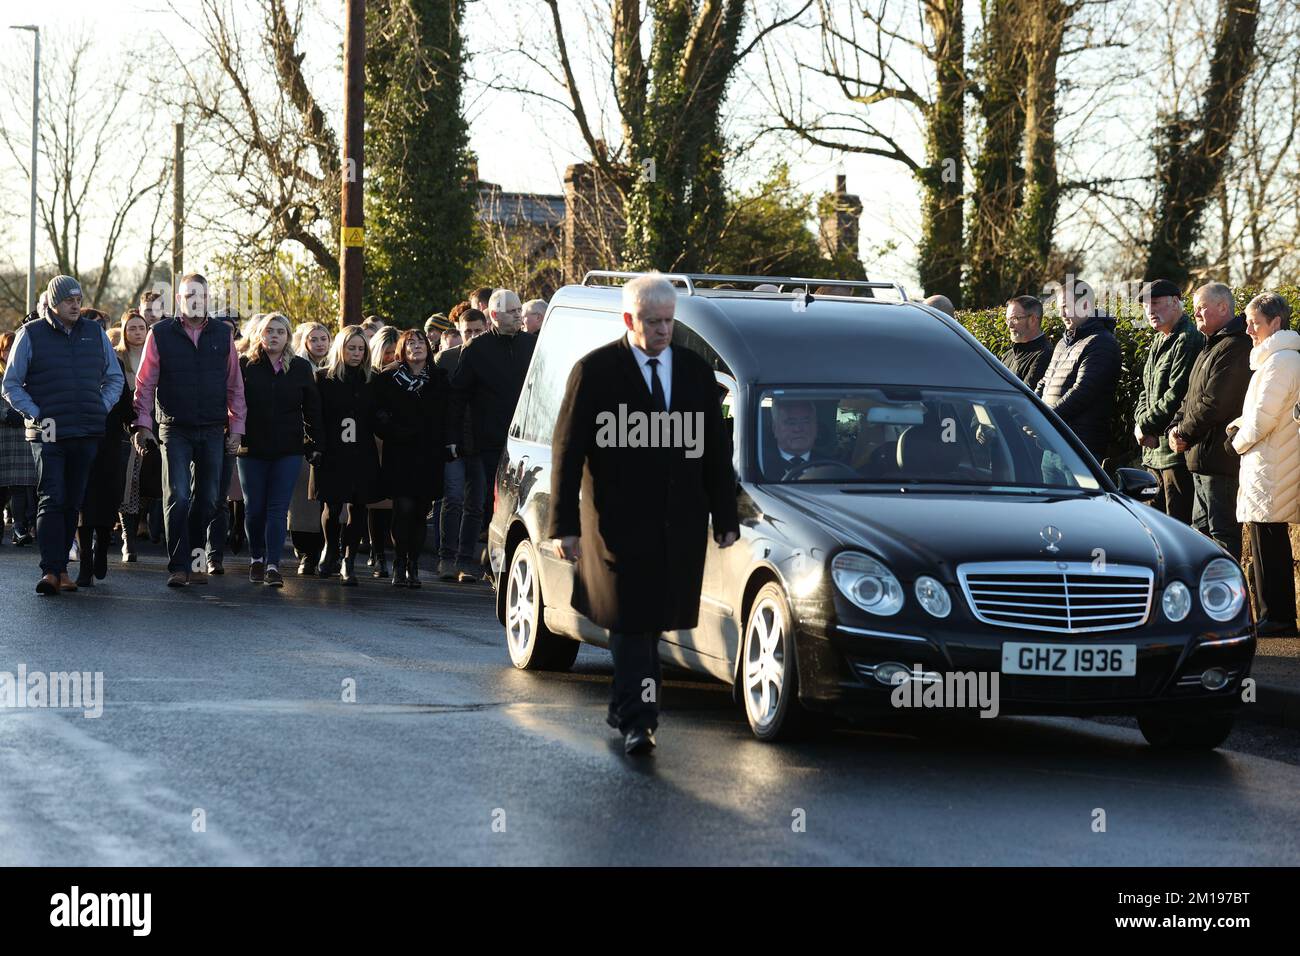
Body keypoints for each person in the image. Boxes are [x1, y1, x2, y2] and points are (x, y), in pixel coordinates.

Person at [549, 273, 740, 755]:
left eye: (669, 322)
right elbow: (567, 450)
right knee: (631, 622)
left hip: (678, 525)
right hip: (614, 525)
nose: (662, 331)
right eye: (652, 322)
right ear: (629, 319)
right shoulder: (595, 371)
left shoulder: (696, 373)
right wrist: (563, 525)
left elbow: (716, 451)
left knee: (650, 623)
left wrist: (726, 514)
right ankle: (640, 720)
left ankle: (624, 704)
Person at [1, 275, 124, 595]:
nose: (75, 304)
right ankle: (50, 571)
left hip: (85, 430)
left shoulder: (94, 333)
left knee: (72, 502)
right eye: (68, 299)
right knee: (52, 498)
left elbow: (114, 378)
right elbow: (10, 384)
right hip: (48, 432)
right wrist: (36, 413)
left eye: (78, 298)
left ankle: (63, 571)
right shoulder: (31, 334)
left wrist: (101, 407)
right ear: (53, 303)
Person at [131, 273, 246, 588]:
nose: (195, 300)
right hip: (174, 428)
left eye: (201, 295)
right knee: (179, 496)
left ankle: (196, 559)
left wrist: (236, 427)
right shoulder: (160, 333)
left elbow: (234, 385)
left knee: (209, 499)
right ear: (178, 299)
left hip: (212, 428)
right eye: (188, 295)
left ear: (208, 299)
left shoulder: (223, 335)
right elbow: (144, 383)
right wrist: (143, 425)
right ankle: (178, 565)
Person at [1226, 292, 1300, 636]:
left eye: (1254, 323)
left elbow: (1264, 418)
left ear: (1275, 322)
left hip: (1273, 463)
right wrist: (1237, 428)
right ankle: (1271, 614)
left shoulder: (1282, 361)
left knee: (1270, 542)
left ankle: (1280, 617)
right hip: (1268, 461)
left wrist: (1236, 441)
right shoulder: (1275, 359)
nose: (1248, 329)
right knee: (1263, 540)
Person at [237, 313, 322, 587]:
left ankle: (273, 564)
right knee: (254, 508)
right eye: (269, 331)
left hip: (288, 448)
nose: (274, 336)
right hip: (252, 447)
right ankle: (256, 559)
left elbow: (311, 409)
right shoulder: (245, 365)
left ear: (287, 337)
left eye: (280, 332)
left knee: (277, 508)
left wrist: (314, 442)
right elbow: (235, 403)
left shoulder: (299, 368)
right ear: (259, 334)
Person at [1169, 282, 1253, 560]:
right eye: (1193, 310)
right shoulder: (1209, 346)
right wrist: (1174, 428)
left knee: (1222, 537)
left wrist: (1184, 433)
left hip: (1220, 460)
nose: (1196, 315)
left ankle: (1227, 600)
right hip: (1200, 459)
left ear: (1223, 307)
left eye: (1201, 308)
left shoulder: (1235, 347)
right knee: (1200, 536)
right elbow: (1189, 398)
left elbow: (1215, 403)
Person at [448, 289, 534, 553]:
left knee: (515, 506)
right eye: (513, 311)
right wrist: (453, 438)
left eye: (520, 310)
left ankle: (498, 561)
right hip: (484, 440)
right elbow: (458, 396)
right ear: (494, 315)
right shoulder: (477, 348)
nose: (519, 315)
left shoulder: (531, 345)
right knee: (479, 503)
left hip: (523, 441)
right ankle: (464, 558)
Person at [372, 330, 448, 588]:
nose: (416, 347)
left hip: (429, 454)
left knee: (419, 510)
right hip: (400, 452)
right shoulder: (387, 379)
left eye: (421, 343)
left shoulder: (440, 379)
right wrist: (396, 431)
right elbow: (377, 415)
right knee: (402, 508)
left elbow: (448, 416)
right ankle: (399, 562)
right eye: (410, 343)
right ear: (402, 350)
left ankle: (413, 564)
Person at [312, 326, 381, 586]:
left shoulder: (372, 379)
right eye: (351, 348)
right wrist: (315, 446)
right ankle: (330, 550)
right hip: (333, 451)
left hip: (362, 451)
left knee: (359, 505)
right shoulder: (324, 378)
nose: (356, 353)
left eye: (361, 348)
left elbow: (378, 415)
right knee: (333, 504)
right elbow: (315, 416)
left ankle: (349, 559)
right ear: (340, 348)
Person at [1133, 279, 1204, 522]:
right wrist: (1141, 424)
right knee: (1153, 526)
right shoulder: (1158, 340)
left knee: (1176, 526)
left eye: (1155, 303)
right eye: (1145, 306)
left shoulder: (1187, 338)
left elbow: (1177, 393)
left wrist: (1147, 426)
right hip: (1153, 453)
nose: (1150, 311)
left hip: (1175, 455)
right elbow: (1145, 391)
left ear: (1176, 303)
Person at [1038, 278, 1122, 466]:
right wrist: (1033, 413)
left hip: (1080, 446)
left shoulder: (1102, 343)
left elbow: (1083, 391)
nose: (1061, 313)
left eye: (1066, 307)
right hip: (1052, 444)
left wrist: (1044, 420)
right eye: (1060, 307)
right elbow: (1045, 381)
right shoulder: (1062, 343)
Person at [434, 307, 488, 583]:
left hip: (482, 442)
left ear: (486, 327)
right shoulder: (446, 359)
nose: (473, 336)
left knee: (475, 504)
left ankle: (466, 560)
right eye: (468, 332)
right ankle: (447, 557)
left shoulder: (493, 355)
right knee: (452, 498)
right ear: (460, 332)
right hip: (452, 440)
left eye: (478, 331)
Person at [75, 349, 134, 587]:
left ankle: (101, 547)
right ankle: (85, 562)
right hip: (79, 439)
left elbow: (126, 403)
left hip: (110, 442)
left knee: (108, 499)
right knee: (83, 500)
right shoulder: (72, 360)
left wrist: (137, 425)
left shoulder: (114, 363)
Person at [288, 322, 331, 573]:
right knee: (302, 501)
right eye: (314, 339)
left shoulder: (336, 367)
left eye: (324, 338)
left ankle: (327, 551)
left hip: (331, 441)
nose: (319, 343)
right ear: (304, 342)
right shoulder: (297, 367)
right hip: (303, 440)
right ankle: (306, 553)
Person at [114, 310, 150, 562]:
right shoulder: (117, 357)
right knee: (129, 482)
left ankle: (150, 527)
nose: (138, 333)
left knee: (149, 481)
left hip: (153, 423)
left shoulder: (155, 355)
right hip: (126, 427)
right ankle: (128, 539)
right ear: (124, 332)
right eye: (133, 328)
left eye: (141, 328)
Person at [365, 325, 400, 578]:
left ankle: (391, 553)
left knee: (395, 503)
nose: (391, 357)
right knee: (376, 502)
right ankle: (377, 555)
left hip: (398, 443)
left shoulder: (404, 374)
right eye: (386, 352)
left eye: (394, 351)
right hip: (374, 443)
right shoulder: (371, 377)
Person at [0, 329, 37, 548]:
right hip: (3, 437)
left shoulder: (27, 374)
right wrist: (5, 414)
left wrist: (25, 413)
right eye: (7, 348)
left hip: (22, 437)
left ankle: (19, 527)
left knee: (20, 485)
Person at [1000, 295, 1053, 392]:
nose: (1010, 326)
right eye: (1008, 320)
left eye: (1015, 319)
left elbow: (1025, 396)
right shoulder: (1008, 355)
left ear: (1032, 320)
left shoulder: (1044, 354)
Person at [762, 399, 819, 479]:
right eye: (791, 422)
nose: (798, 429)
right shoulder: (758, 465)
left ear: (816, 427)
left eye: (806, 422)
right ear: (775, 428)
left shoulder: (832, 468)